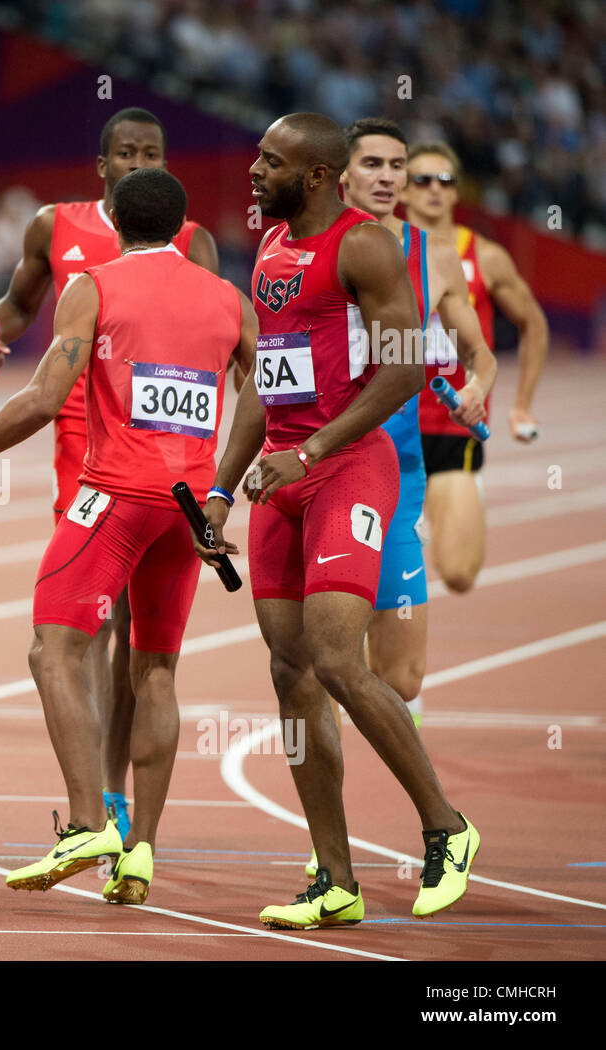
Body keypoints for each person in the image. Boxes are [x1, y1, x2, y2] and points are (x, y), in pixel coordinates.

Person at [0, 168, 255, 903]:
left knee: (55, 648)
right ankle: (141, 849)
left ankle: (86, 822)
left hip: (112, 497)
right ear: (181, 227)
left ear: (114, 219)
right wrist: (223, 493)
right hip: (190, 507)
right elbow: (262, 398)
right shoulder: (230, 299)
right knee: (157, 672)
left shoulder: (95, 286)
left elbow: (45, 397)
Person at [197, 113, 479, 928]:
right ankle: (334, 876)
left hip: (346, 467)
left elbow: (404, 369)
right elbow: (262, 386)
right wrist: (220, 489)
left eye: (270, 161)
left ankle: (446, 827)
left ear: (316, 176)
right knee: (290, 675)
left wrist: (313, 452)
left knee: (335, 657)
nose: (253, 170)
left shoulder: (365, 247)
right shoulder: (272, 251)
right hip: (281, 478)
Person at [0, 108, 223, 839]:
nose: (141, 162)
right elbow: (16, 307)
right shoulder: (55, 226)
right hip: (81, 448)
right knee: (89, 627)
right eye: (127, 152)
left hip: (155, 456)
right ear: (101, 164)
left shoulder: (191, 241)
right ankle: (106, 807)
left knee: (137, 638)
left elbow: (206, 336)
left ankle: (109, 798)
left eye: (154, 153)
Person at [287, 117, 497, 877]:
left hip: (393, 481)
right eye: (371, 164)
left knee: (397, 679)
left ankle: (417, 813)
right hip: (322, 478)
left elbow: (473, 347)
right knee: (314, 667)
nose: (387, 177)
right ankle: (330, 857)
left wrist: (476, 384)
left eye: (397, 166)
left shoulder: (433, 255)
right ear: (339, 176)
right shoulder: (309, 248)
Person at [403, 142, 550, 593]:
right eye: (421, 179)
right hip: (387, 427)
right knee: (379, 585)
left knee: (459, 573)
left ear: (456, 191)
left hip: (451, 431)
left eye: (444, 180)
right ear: (403, 191)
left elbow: (533, 323)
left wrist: (521, 405)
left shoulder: (484, 256)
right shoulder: (379, 249)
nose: (433, 189)